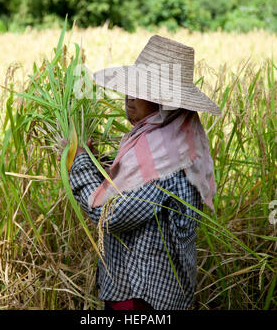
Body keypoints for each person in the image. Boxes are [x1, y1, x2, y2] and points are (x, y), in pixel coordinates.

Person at [69, 35, 221, 311]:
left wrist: (79, 166)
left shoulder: (165, 164)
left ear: (168, 103)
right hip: (154, 291)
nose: (129, 97)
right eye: (130, 89)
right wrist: (94, 161)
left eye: (143, 91)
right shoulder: (175, 141)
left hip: (143, 297)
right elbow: (126, 183)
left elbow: (110, 215)